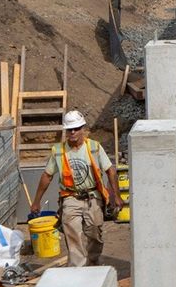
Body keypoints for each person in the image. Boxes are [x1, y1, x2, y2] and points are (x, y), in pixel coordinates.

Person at [29, 110, 122, 267]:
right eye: (69, 129)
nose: (72, 132)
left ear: (83, 129)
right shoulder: (58, 151)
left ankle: (93, 260)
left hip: (92, 196)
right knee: (72, 233)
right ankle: (78, 269)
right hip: (70, 197)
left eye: (76, 128)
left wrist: (116, 196)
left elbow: (110, 170)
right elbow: (47, 175)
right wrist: (36, 201)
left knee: (95, 233)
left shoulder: (94, 147)